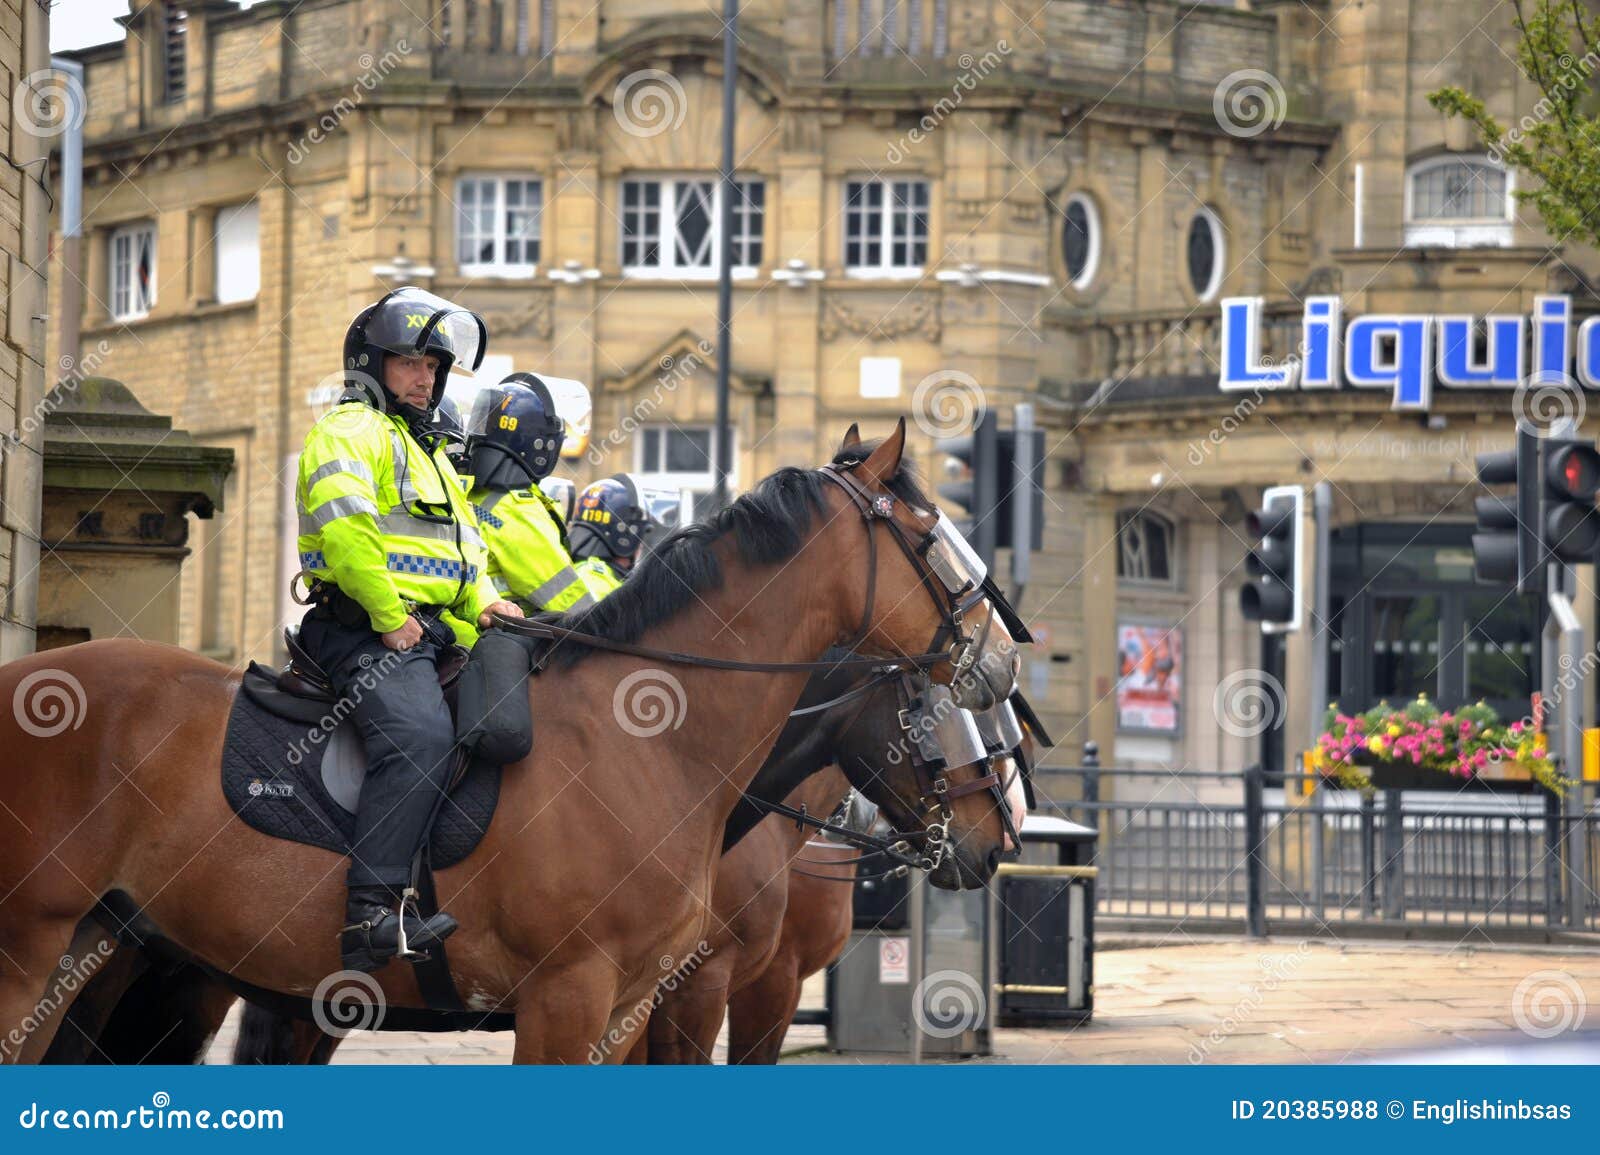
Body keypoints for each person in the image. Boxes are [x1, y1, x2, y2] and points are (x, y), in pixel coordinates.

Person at [295, 287, 524, 973]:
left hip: (426, 632)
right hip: (360, 629)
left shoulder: (428, 450)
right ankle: (372, 909)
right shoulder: (349, 431)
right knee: (422, 735)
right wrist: (390, 617)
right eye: (409, 362)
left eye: (433, 364)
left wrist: (486, 603)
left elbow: (462, 556)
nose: (425, 377)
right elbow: (348, 532)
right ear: (372, 363)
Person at [464, 374, 622, 613]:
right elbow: (570, 604)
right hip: (505, 637)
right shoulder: (514, 509)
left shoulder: (468, 495)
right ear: (537, 444)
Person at [567, 473, 668, 579]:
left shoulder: (573, 568)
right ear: (624, 537)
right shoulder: (602, 581)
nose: (640, 546)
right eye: (639, 536)